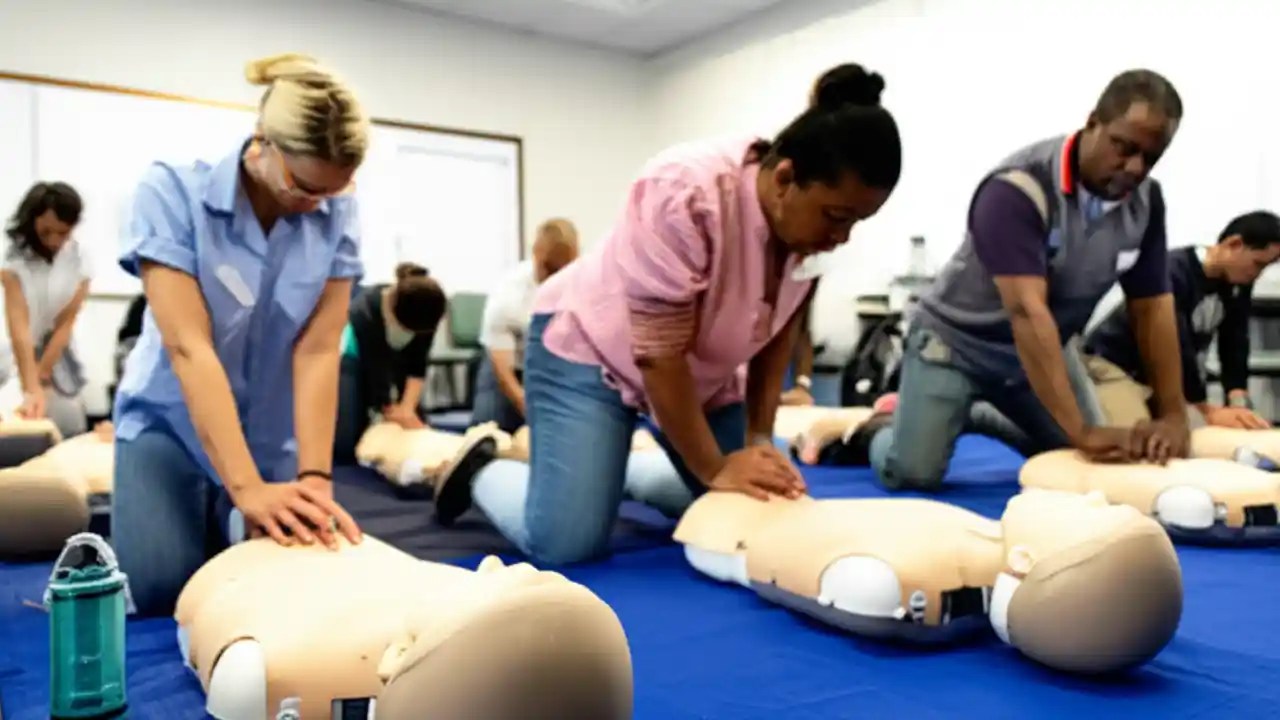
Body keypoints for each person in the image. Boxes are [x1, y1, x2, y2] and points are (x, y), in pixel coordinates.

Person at [431, 63, 903, 565]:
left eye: (857, 221)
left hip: (698, 373)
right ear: (785, 179)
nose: (843, 235)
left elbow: (776, 338)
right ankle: (483, 467)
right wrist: (715, 467)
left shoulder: (808, 235)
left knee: (763, 501)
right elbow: (659, 357)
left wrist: (759, 440)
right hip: (590, 352)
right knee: (567, 543)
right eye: (836, 216)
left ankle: (612, 473)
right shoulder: (685, 190)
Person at [111, 53, 368, 616]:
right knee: (161, 589)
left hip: (272, 434)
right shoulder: (172, 189)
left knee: (290, 588)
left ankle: (220, 519)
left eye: (334, 191)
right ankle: (160, 510)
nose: (316, 204)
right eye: (305, 186)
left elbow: (320, 349)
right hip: (169, 422)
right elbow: (188, 347)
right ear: (263, 143)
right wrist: (247, 490)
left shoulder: (336, 209)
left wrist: (315, 477)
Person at [853, 69, 1191, 493]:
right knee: (912, 473)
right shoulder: (1016, 189)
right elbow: (1027, 313)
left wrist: (1174, 415)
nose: (1134, 167)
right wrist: (1081, 431)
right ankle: (881, 429)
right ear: (1093, 123)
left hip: (1044, 348)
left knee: (1091, 462)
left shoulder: (1146, 203)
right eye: (1123, 147)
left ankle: (977, 414)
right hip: (956, 347)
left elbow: (1153, 308)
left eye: (1151, 156)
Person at [1084, 211, 1280, 429]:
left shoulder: (1237, 283)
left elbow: (1235, 341)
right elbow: (1175, 344)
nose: (1258, 274)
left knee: (1200, 425)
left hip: (1158, 375)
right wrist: (1204, 408)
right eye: (1258, 264)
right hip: (1114, 366)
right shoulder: (1173, 271)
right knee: (1137, 434)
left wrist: (1238, 400)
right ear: (1234, 244)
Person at [1, 182, 92, 437]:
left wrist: (42, 374)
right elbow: (19, 328)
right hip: (12, 348)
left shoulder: (81, 260)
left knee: (67, 422)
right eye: (46, 232)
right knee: (17, 416)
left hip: (56, 353)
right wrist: (30, 388)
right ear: (32, 223)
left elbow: (65, 323)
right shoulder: (12, 260)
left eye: (63, 233)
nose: (54, 241)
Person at [473, 218, 579, 432]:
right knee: (487, 430)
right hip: (512, 366)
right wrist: (523, 402)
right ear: (536, 255)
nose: (556, 278)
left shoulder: (586, 286)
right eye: (550, 269)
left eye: (562, 269)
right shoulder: (509, 294)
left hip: (559, 365)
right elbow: (502, 364)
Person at [334, 262, 447, 463]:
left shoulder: (429, 307)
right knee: (345, 444)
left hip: (399, 359)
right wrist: (388, 409)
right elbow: (376, 372)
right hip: (355, 360)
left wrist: (407, 409)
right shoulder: (364, 310)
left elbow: (418, 365)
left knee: (416, 426)